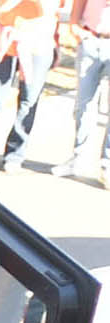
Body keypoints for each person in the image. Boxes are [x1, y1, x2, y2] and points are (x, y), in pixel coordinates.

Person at [0, 0, 70, 173]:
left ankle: (14, 156)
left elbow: (44, 9)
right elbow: (4, 7)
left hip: (39, 44)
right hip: (7, 40)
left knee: (28, 101)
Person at [53, 0, 110, 185]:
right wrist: (76, 29)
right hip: (91, 40)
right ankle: (79, 158)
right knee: (84, 105)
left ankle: (107, 164)